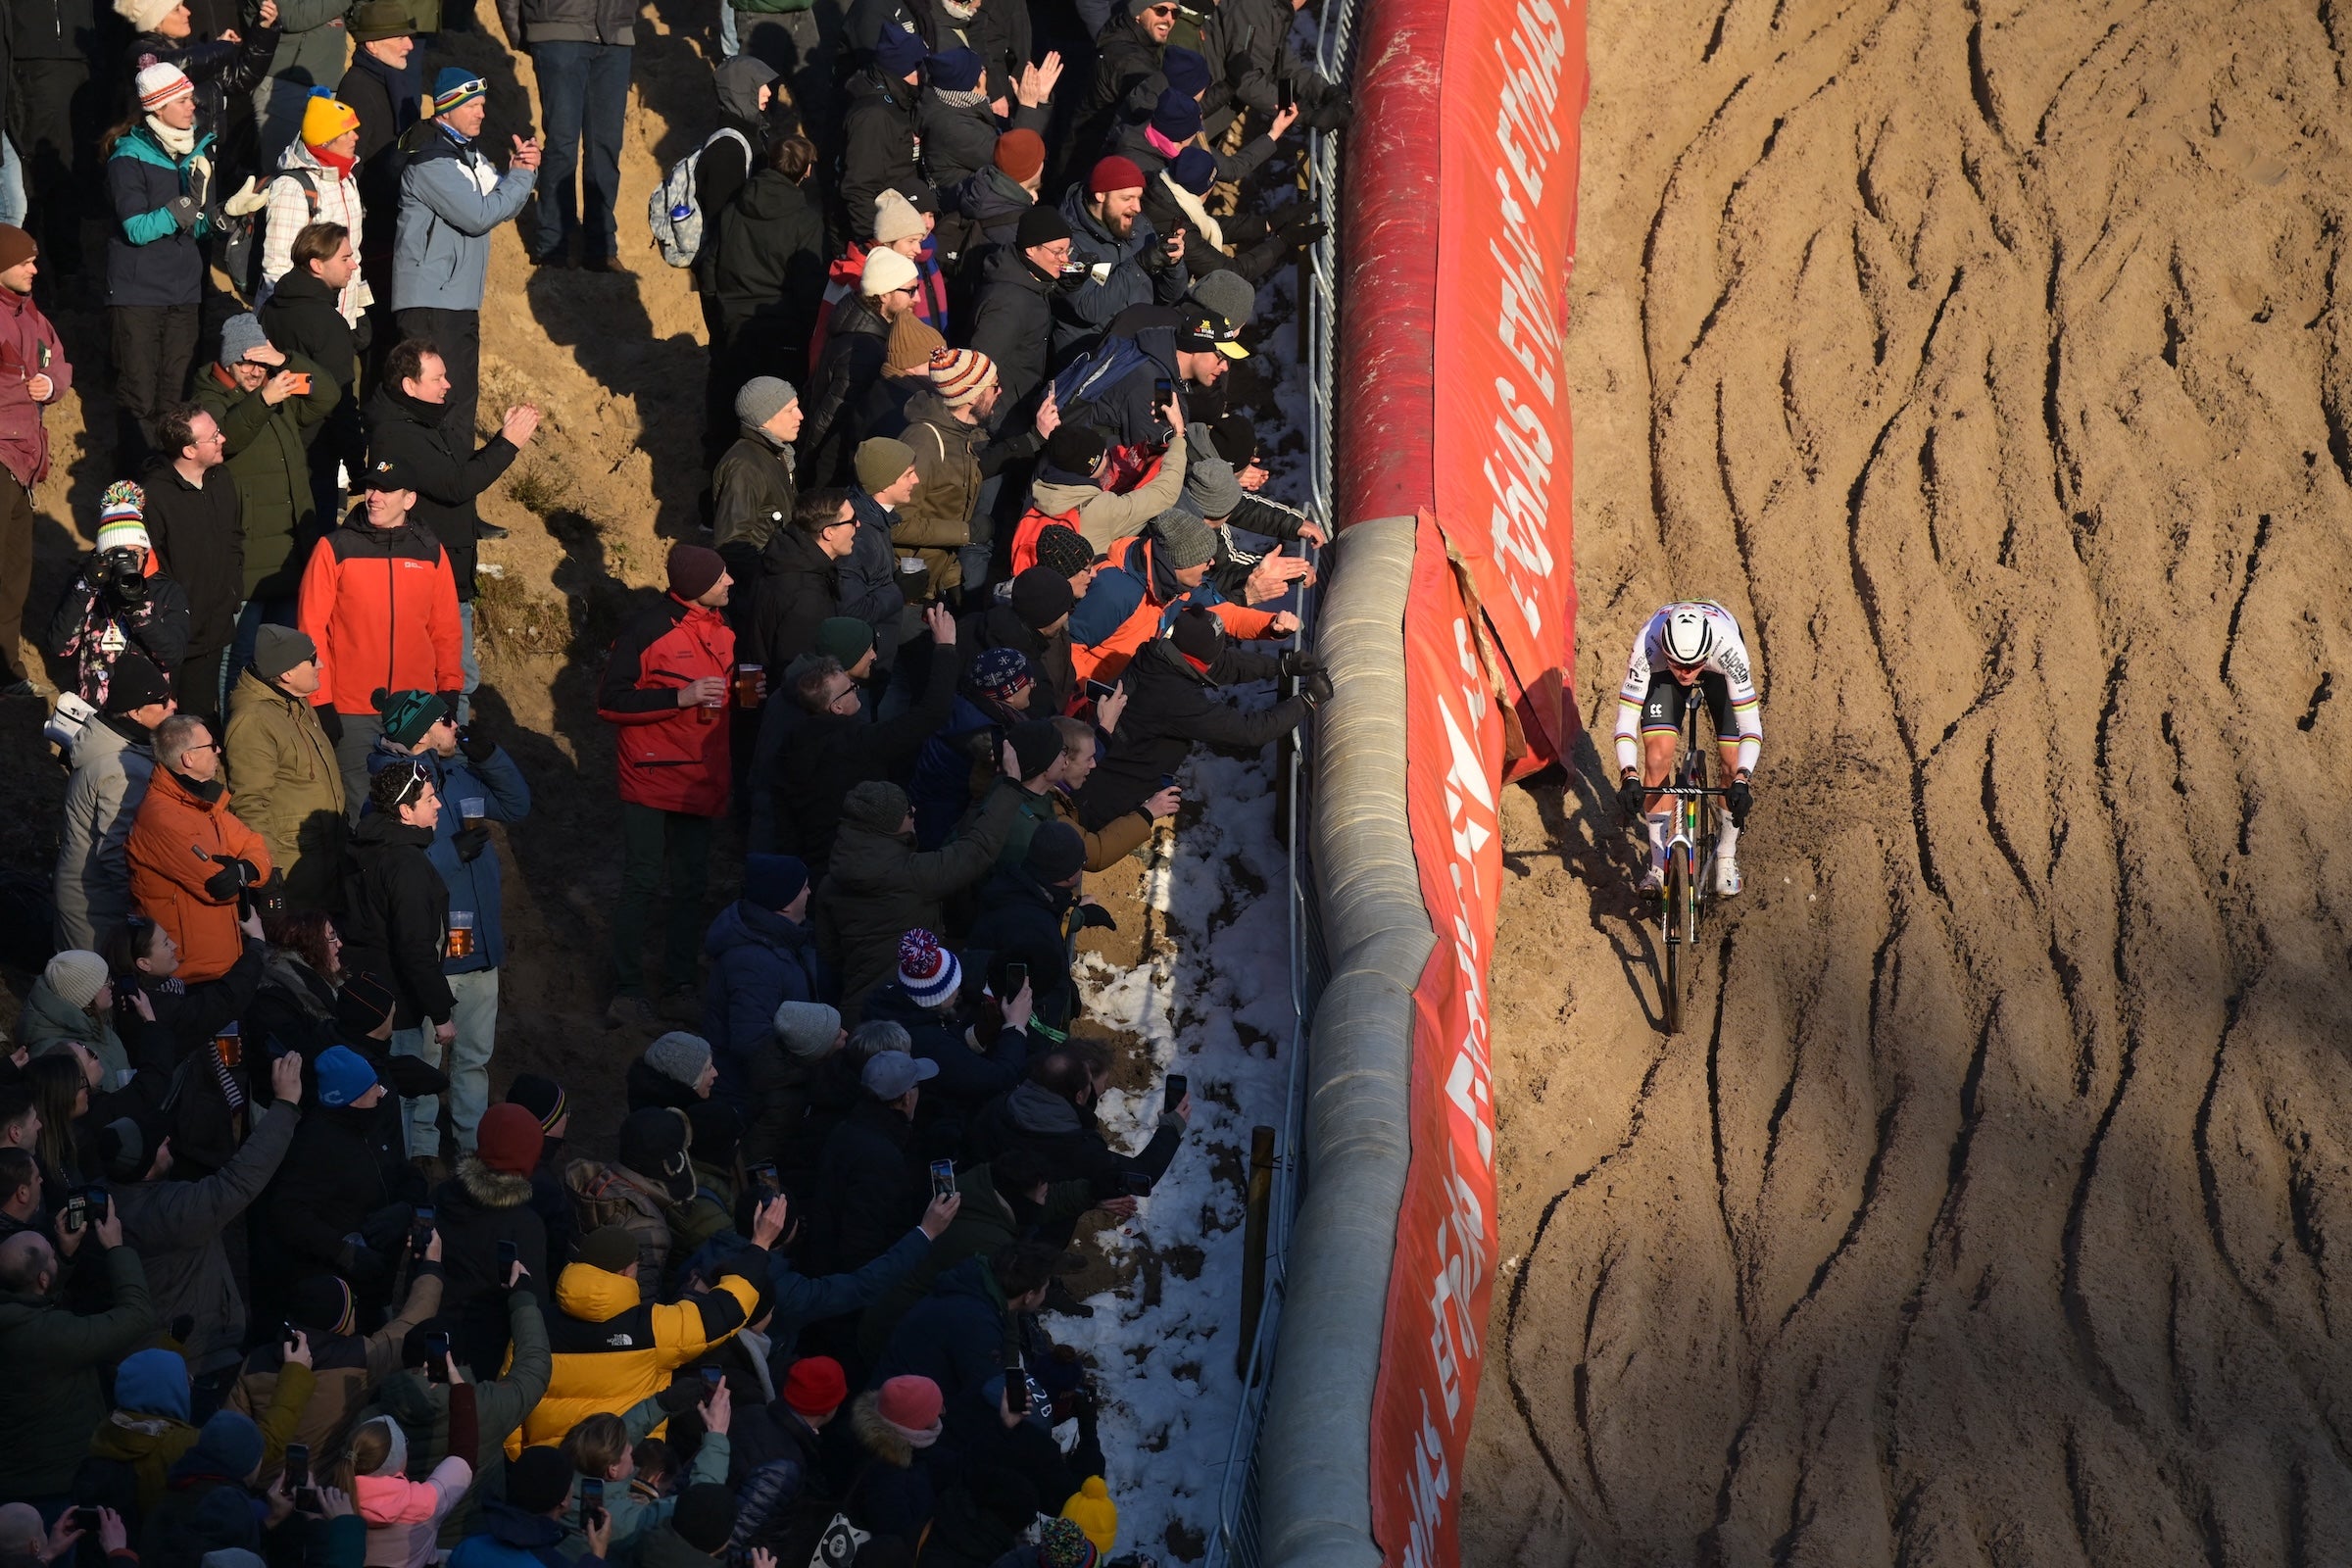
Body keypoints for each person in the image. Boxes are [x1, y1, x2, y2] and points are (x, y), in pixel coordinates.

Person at [598, 544, 738, 1029]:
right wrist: (681, 696)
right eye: (722, 577)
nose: (731, 583)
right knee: (641, 880)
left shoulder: (723, 631)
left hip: (699, 775)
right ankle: (627, 988)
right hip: (651, 776)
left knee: (691, 883)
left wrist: (745, 695)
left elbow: (722, 694)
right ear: (700, 587)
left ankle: (679, 983)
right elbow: (610, 701)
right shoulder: (647, 630)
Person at [366, 339, 540, 719]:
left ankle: (444, 758)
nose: (448, 385)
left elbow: (455, 476)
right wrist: (508, 444)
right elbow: (456, 487)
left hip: (445, 572)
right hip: (430, 578)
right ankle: (446, 760)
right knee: (452, 680)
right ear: (410, 386)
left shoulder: (423, 423)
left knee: (454, 678)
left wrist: (500, 439)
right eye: (439, 377)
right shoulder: (399, 434)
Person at [514, 1202, 781, 1449]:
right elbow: (726, 1310)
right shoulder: (653, 1328)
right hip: (624, 1470)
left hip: (549, 1477)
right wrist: (760, 1244)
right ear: (627, 1272)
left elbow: (513, 1405)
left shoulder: (533, 1326)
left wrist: (523, 1468)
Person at [111, 1052, 304, 1385]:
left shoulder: (111, 1198)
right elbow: (237, 1181)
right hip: (194, 1360)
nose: (168, 1139)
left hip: (155, 1351)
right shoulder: (168, 1213)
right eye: (159, 1143)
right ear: (143, 1168)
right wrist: (285, 1106)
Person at [297, 454, 466, 805]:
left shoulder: (430, 551)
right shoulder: (334, 548)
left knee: (419, 805)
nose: (373, 496)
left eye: (386, 490)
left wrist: (448, 692)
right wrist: (321, 701)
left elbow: (446, 629)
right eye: (371, 487)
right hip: (349, 709)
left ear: (409, 499)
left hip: (417, 708)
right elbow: (310, 631)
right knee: (360, 809)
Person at [392, 69, 541, 443]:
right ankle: (432, 492)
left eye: (482, 105)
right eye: (473, 105)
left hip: (453, 302)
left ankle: (453, 490)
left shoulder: (463, 154)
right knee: (437, 409)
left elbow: (499, 202)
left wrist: (521, 171)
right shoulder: (432, 160)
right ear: (448, 107)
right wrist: (521, 178)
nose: (481, 113)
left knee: (458, 404)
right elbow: (479, 216)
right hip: (431, 304)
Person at [192, 312, 342, 676]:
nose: (256, 372)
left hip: (289, 557)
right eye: (248, 362)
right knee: (239, 660)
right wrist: (264, 400)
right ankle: (232, 731)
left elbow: (328, 394)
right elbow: (225, 439)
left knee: (285, 661)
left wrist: (285, 361)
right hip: (246, 560)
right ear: (229, 361)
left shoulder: (275, 390)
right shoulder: (208, 397)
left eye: (261, 364)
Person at [1078, 606, 1320, 826]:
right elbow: (1248, 731)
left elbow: (1223, 664)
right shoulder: (1175, 699)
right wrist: (1307, 701)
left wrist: (1281, 667)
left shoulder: (1156, 653)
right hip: (1109, 796)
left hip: (1113, 769)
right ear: (1195, 660)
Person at [811, 772, 1022, 1013]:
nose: (914, 809)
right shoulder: (913, 876)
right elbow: (977, 850)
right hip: (908, 1010)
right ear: (888, 827)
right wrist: (1011, 787)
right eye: (908, 812)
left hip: (856, 1015)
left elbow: (828, 963)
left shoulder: (830, 884)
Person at [0, 1204, 157, 1507]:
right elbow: (137, 1315)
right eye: (52, 1254)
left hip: (14, 1477)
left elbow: (30, 1304)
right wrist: (116, 1248)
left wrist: (65, 1257)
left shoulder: (16, 1322)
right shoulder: (50, 1336)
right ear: (43, 1279)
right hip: (53, 1484)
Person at [344, 755, 458, 1158]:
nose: (439, 805)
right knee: (401, 1098)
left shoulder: (372, 848)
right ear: (406, 811)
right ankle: (402, 1177)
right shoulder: (405, 863)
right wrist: (441, 1013)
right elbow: (414, 949)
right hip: (401, 1006)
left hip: (373, 995)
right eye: (430, 799)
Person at [1612, 601, 1762, 896]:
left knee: (1732, 764)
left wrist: (1743, 780)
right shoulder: (1648, 647)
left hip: (1719, 668)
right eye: (1678, 664)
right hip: (1660, 670)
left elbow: (1751, 728)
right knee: (1656, 759)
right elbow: (1625, 721)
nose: (1686, 673)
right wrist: (1628, 775)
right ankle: (1657, 867)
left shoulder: (1729, 650)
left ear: (1705, 654)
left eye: (1693, 666)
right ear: (1666, 652)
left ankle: (1726, 855)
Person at [125, 711, 272, 984]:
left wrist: (245, 867)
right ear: (188, 758)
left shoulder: (202, 803)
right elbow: (218, 886)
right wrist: (244, 872)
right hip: (186, 972)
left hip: (220, 959)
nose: (218, 750)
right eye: (210, 745)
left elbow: (256, 845)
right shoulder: (162, 817)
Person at [700, 854, 830, 1155]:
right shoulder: (753, 961)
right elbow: (752, 1043)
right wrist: (814, 1061)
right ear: (784, 903)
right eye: (804, 887)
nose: (810, 892)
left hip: (770, 1095)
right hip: (753, 1103)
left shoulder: (783, 941)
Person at [1067, 509, 1290, 686]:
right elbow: (1069, 650)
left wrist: (1271, 626)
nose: (1211, 564)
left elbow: (1225, 614)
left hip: (1123, 688)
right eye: (1204, 558)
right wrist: (1083, 702)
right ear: (1178, 563)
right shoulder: (1115, 591)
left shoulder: (1177, 586)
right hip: (1088, 698)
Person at [497, 0, 638, 270]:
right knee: (563, 143)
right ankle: (553, 245)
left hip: (616, 33)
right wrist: (525, 32)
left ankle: (601, 246)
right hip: (558, 30)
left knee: (606, 146)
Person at [710, 136, 826, 457]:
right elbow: (809, 287)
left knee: (731, 411)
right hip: (783, 334)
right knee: (779, 424)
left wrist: (718, 319)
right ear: (806, 172)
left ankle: (723, 476)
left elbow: (710, 265)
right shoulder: (806, 220)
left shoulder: (734, 206)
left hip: (734, 324)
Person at [220, 622, 347, 910]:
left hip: (324, 861)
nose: (322, 665)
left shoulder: (296, 703)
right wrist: (269, 872)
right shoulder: (253, 720)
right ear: (287, 673)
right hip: (294, 873)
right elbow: (250, 803)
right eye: (312, 659)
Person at [55, 652, 174, 952]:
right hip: (95, 906)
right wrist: (143, 907)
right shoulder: (121, 769)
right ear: (135, 713)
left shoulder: (116, 741)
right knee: (93, 992)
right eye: (162, 701)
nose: (173, 705)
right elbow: (115, 851)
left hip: (90, 893)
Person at [256, 220, 368, 524]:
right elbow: (341, 401)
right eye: (345, 258)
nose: (353, 265)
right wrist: (358, 467)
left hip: (270, 445)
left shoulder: (270, 308)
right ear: (317, 265)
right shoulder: (328, 324)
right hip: (314, 457)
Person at [426, 1102, 550, 1375]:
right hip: (486, 1356)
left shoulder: (443, 1195)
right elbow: (534, 1299)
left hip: (431, 1334)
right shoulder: (525, 1224)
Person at [141, 402, 244, 717]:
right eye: (213, 436)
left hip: (214, 629)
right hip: (172, 637)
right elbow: (148, 566)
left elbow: (235, 539)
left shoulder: (221, 479)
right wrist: (173, 616)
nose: (222, 439)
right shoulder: (153, 496)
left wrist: (232, 593)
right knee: (165, 723)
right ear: (188, 450)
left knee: (199, 718)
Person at [49, 482, 192, 708]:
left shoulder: (166, 591)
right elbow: (60, 646)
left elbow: (173, 656)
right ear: (102, 556)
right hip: (94, 715)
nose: (128, 563)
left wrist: (138, 610)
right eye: (117, 555)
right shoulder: (87, 589)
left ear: (146, 552)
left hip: (147, 718)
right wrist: (86, 586)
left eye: (135, 553)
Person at [0, 222, 68, 697]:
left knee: (14, 570)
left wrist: (52, 384)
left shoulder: (31, 314)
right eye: (25, 260)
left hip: (25, 460)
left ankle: (7, 671)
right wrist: (23, 389)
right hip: (1, 451)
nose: (34, 268)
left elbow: (57, 361)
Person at [799, 245, 919, 487]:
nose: (917, 298)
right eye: (910, 290)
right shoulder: (865, 350)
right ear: (884, 294)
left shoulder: (857, 323)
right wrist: (808, 468)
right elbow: (831, 416)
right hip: (836, 472)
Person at [1053, 155, 1188, 357]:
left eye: (1138, 198)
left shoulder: (1139, 226)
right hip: (1089, 352)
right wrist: (1139, 265)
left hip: (1135, 345)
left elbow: (1170, 295)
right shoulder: (1067, 241)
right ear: (1100, 196)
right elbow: (1088, 308)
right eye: (1127, 199)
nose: (1137, 208)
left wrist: (1173, 263)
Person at [259, 90, 368, 316]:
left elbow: (352, 255)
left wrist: (356, 309)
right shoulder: (292, 187)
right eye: (347, 132)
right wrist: (289, 320)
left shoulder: (346, 179)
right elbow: (278, 265)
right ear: (325, 140)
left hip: (340, 317)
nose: (356, 137)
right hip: (303, 319)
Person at [1018, 420, 1186, 562]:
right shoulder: (1098, 509)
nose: (1109, 455)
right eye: (1104, 455)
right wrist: (1177, 438)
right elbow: (1164, 493)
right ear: (1091, 466)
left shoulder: (1037, 495)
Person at [744, 488, 852, 675]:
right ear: (829, 533)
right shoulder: (806, 596)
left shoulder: (784, 556)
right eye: (851, 521)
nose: (858, 525)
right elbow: (801, 674)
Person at [711, 375, 802, 589]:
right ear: (765, 419)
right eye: (790, 410)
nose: (800, 416)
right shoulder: (745, 467)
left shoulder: (778, 453)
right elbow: (731, 543)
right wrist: (770, 580)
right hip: (764, 585)